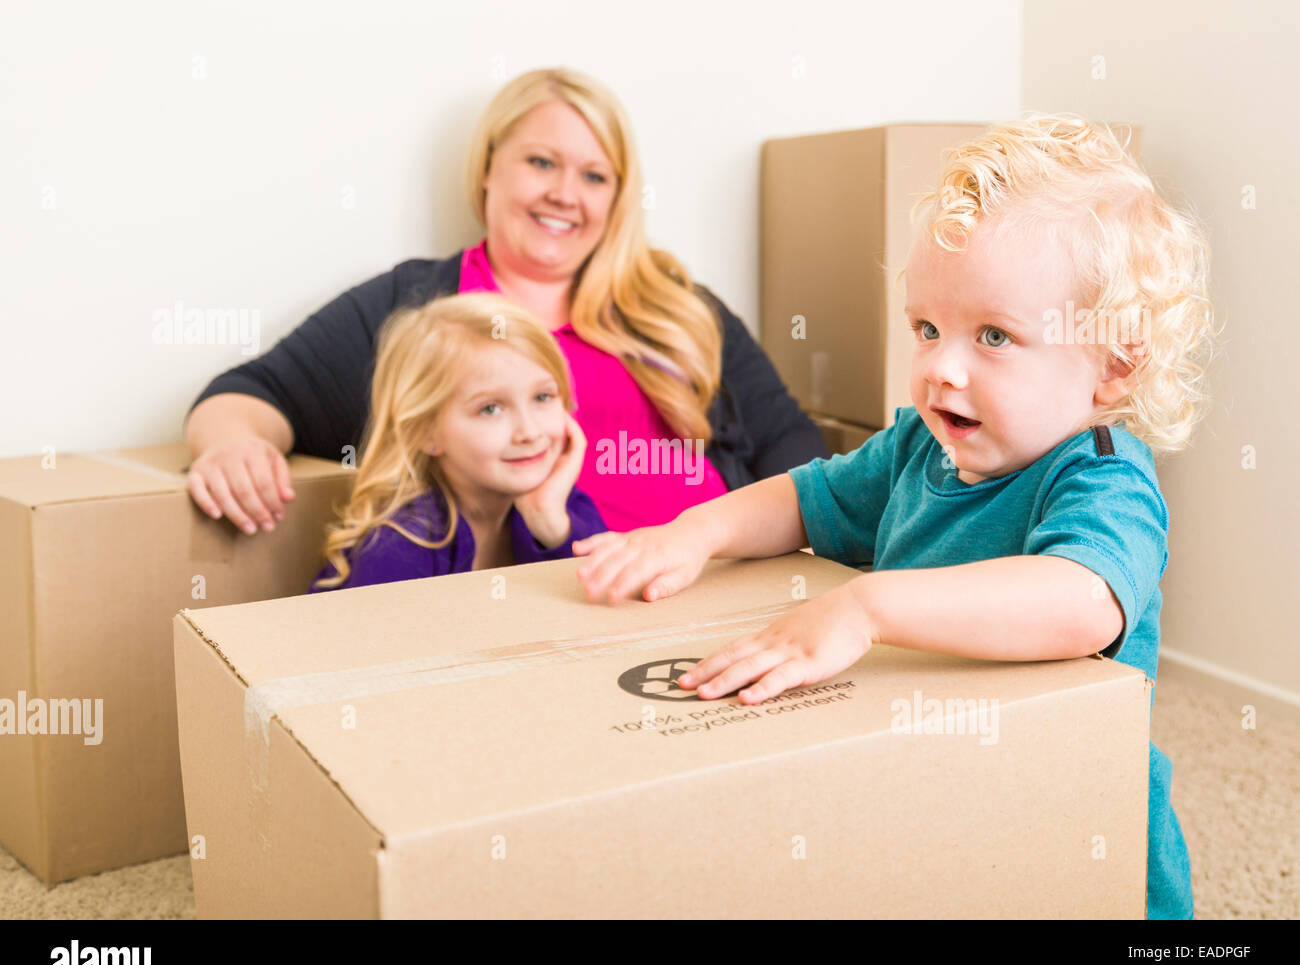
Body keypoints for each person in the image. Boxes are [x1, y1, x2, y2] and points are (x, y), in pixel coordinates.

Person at [572, 115, 1215, 920]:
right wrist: (695, 531)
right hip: (930, 792)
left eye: (993, 336)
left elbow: (1080, 603)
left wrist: (868, 607)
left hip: (1077, 831)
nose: (942, 367)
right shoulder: (919, 446)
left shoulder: (1103, 477)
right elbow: (806, 496)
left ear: (1112, 367)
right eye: (927, 329)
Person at [183, 67, 826, 537]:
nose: (565, 194)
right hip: (536, 614)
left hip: (717, 590)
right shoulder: (416, 309)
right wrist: (233, 444)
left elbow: (787, 442)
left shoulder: (680, 308)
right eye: (542, 163)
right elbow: (249, 393)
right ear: (489, 168)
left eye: (594, 176)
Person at [308, 293, 605, 591]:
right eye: (490, 408)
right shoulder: (399, 547)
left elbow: (605, 607)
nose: (529, 432)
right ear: (425, 432)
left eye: (543, 397)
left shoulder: (563, 505)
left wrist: (551, 525)